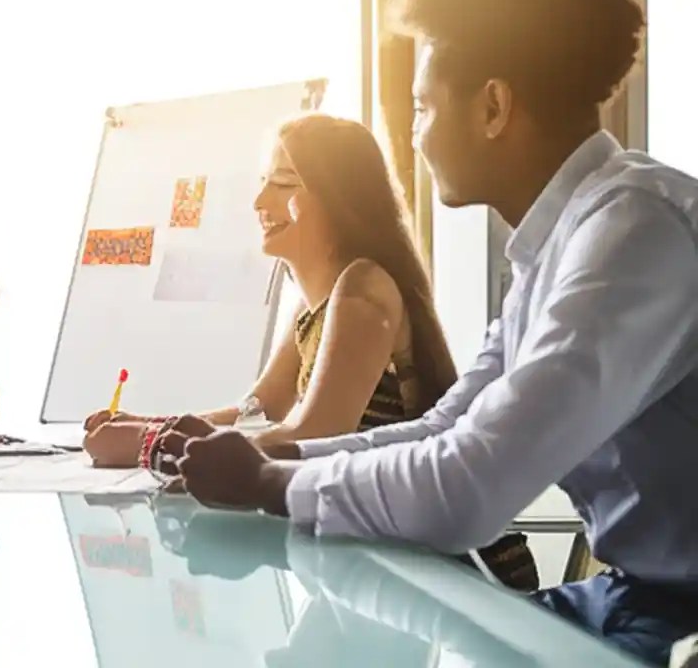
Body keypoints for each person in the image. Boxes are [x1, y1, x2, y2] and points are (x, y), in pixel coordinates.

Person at [170, 0, 698, 665]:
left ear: (491, 107)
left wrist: (271, 481)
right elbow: (446, 425)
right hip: (641, 596)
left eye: (421, 107)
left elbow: (468, 488)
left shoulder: (634, 230)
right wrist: (283, 453)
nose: (414, 137)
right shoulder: (560, 244)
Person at [84, 114, 536, 590]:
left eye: (283, 183)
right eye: (263, 182)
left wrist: (152, 447)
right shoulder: (315, 300)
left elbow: (313, 435)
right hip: (389, 551)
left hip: (464, 573)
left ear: (340, 197)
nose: (260, 201)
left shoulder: (363, 289)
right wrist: (151, 425)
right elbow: (258, 408)